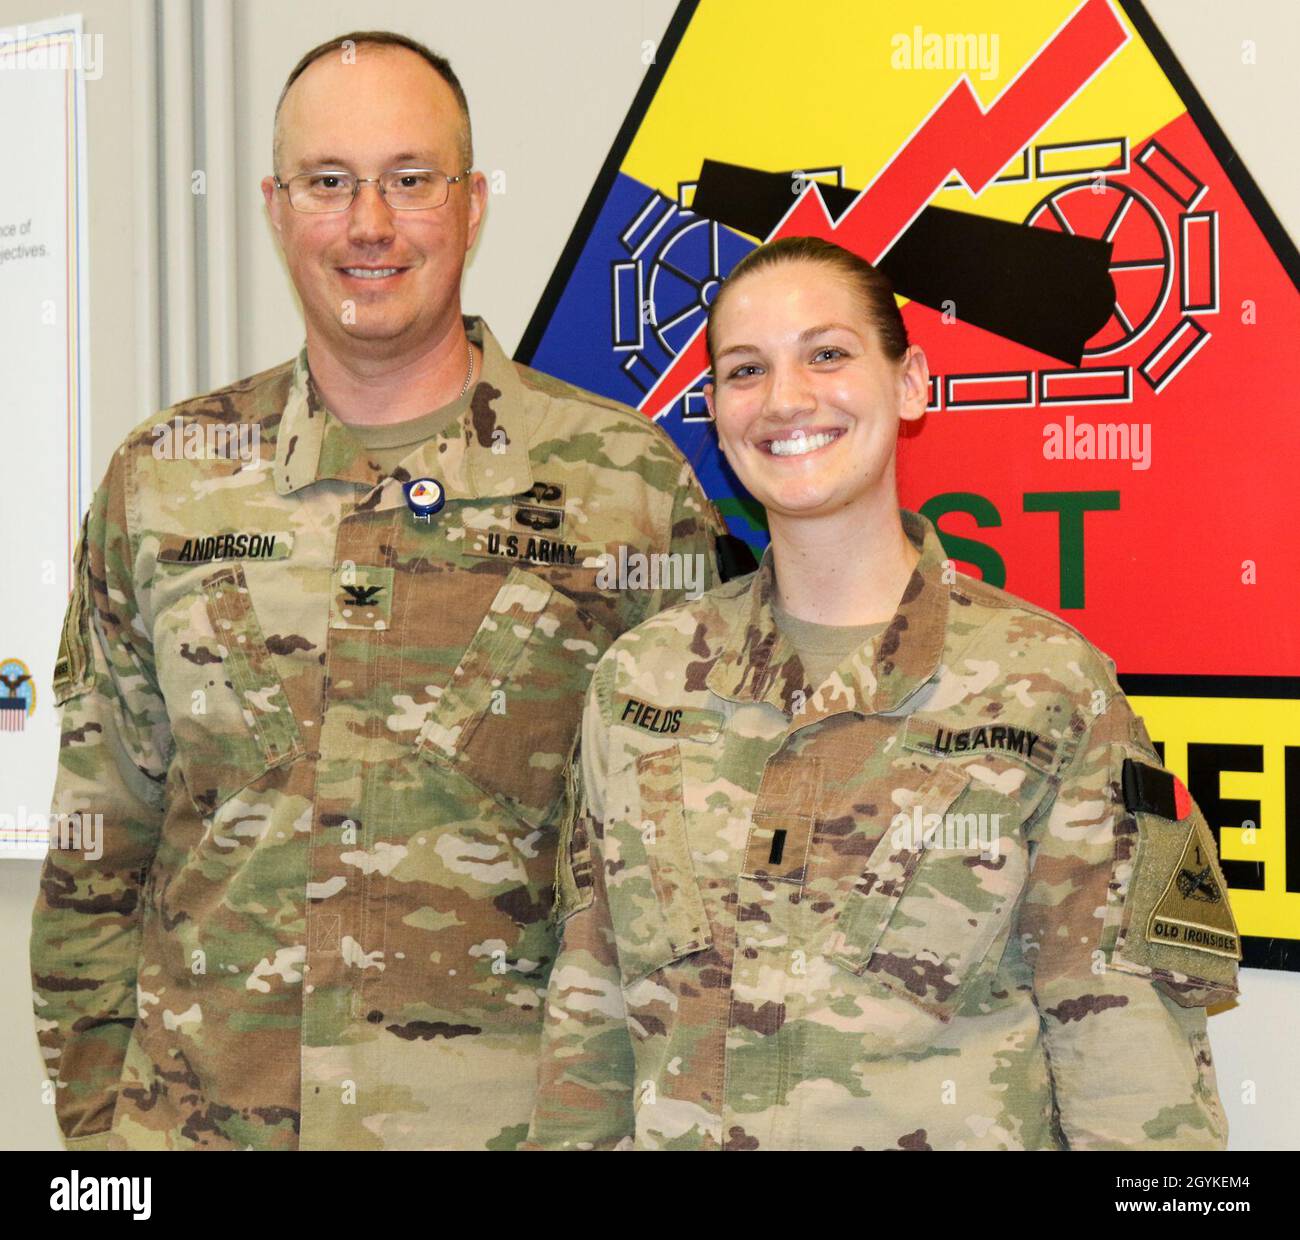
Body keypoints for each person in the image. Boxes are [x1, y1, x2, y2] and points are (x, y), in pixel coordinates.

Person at [31, 30, 729, 1151]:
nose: (369, 223)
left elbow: (695, 872)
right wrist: (105, 1139)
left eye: (411, 180)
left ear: (471, 201)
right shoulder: (163, 480)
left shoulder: (627, 489)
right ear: (274, 204)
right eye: (329, 182)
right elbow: (98, 847)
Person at [527, 235, 1240, 1151]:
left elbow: (1139, 1093)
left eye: (827, 354)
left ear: (910, 385)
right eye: (746, 370)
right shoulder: (640, 686)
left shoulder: (1047, 690)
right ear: (714, 410)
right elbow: (588, 1040)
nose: (786, 399)